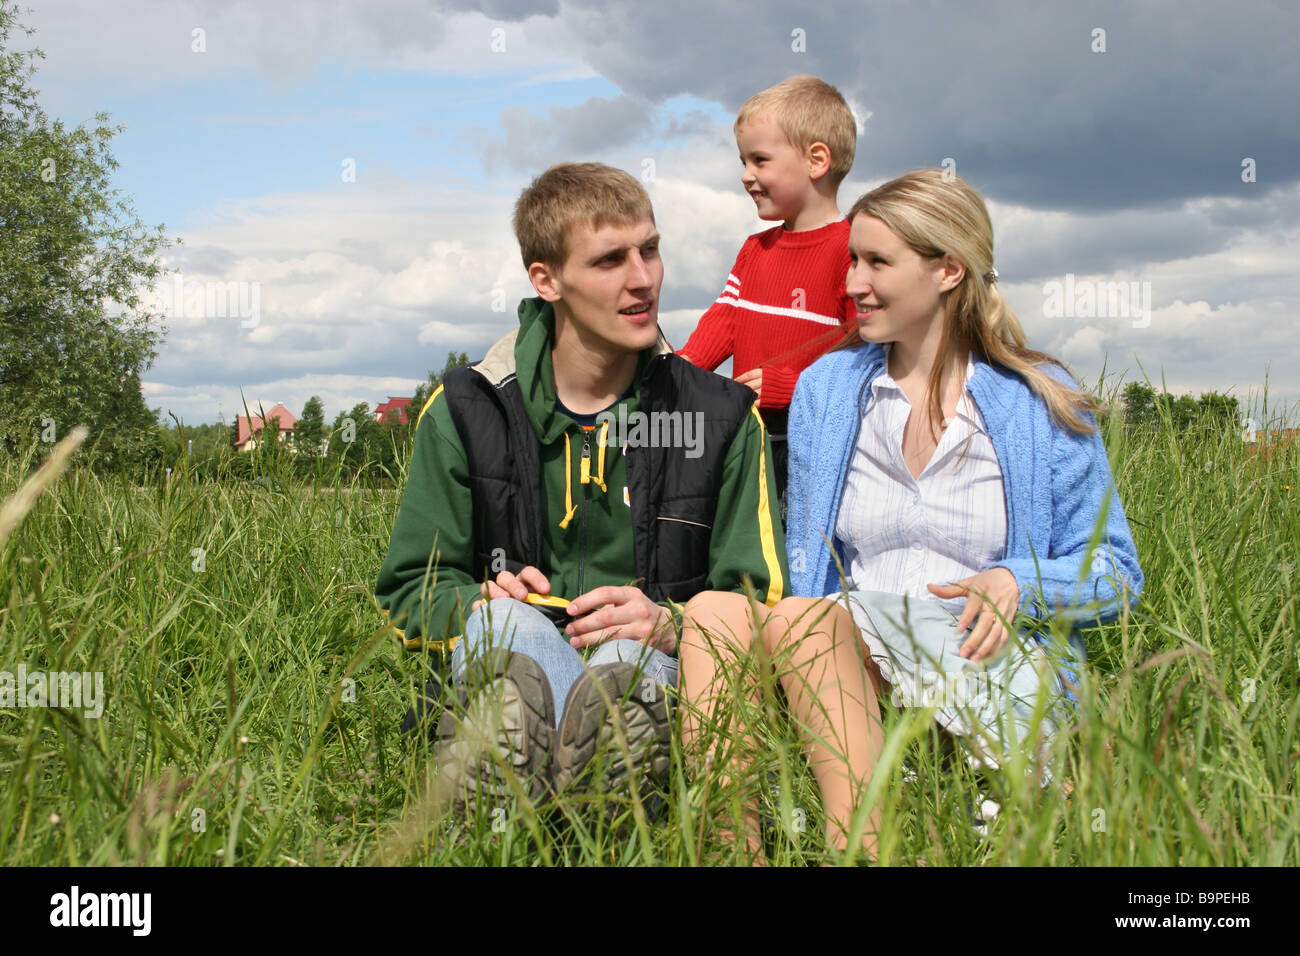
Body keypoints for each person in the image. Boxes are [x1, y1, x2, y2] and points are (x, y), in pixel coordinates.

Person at [679, 168, 1144, 858]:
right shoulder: (828, 389)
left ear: (948, 269)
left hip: (982, 659)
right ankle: (728, 851)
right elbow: (811, 558)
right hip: (844, 664)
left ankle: (864, 848)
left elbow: (1117, 572)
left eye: (876, 263)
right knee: (714, 610)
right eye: (852, 261)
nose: (852, 283)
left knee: (805, 622)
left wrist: (1018, 581)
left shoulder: (1037, 400)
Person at [374, 162, 789, 822]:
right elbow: (409, 591)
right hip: (516, 654)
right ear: (547, 279)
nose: (642, 278)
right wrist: (477, 599)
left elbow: (757, 598)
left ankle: (547, 800)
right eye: (609, 260)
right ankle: (580, 791)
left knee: (626, 662)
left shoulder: (723, 417)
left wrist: (670, 624)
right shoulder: (464, 410)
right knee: (504, 625)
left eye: (650, 250)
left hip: (657, 671)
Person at [676, 75, 860, 512]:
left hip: (810, 442)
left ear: (816, 160)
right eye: (743, 161)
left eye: (760, 160)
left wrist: (794, 386)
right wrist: (682, 371)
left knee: (796, 545)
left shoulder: (853, 250)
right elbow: (726, 317)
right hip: (750, 434)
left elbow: (865, 356)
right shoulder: (755, 249)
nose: (745, 175)